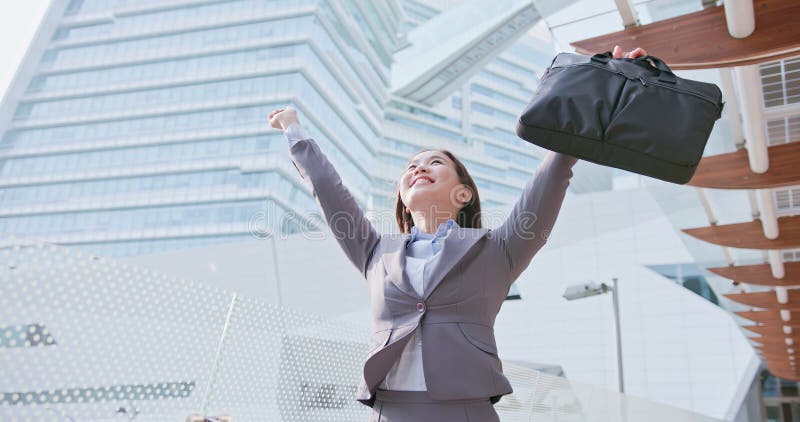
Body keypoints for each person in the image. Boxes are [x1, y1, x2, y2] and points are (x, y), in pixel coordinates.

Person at [269, 46, 646, 422]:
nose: (420, 168)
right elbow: (328, 190)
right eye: (411, 166)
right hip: (389, 411)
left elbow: (554, 170)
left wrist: (611, 80)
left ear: (463, 194)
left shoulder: (498, 250)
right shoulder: (374, 252)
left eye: (435, 163)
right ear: (402, 195)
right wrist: (292, 128)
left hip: (466, 412)